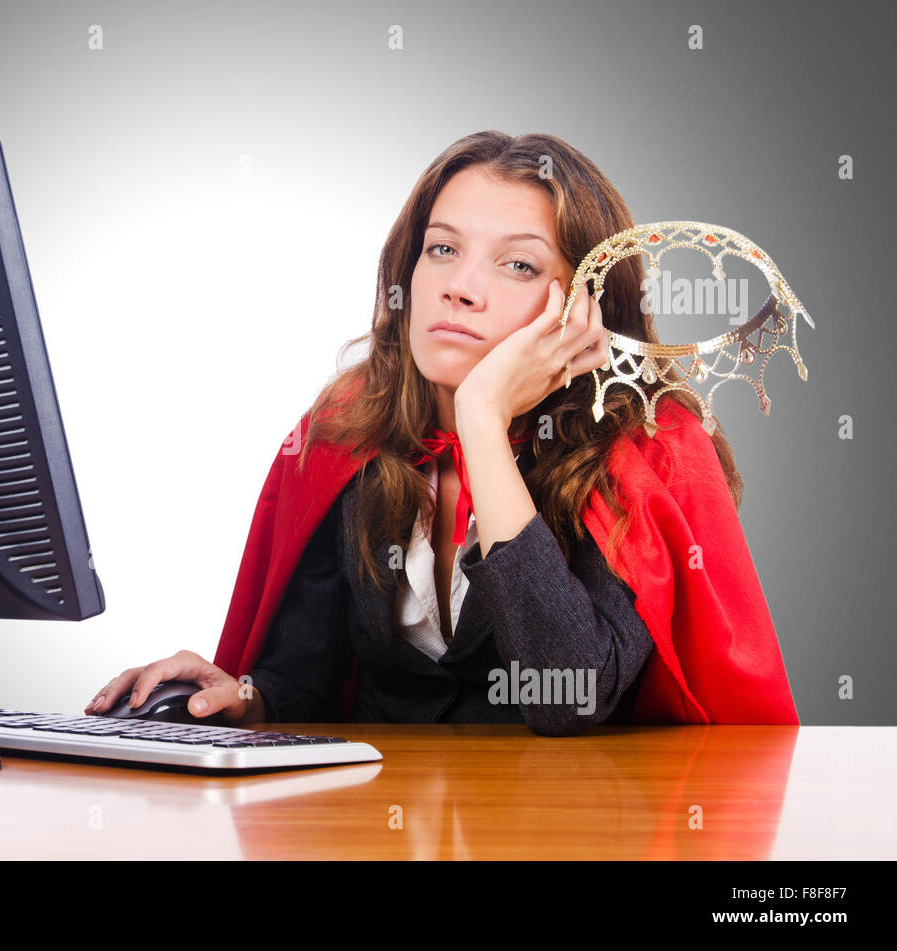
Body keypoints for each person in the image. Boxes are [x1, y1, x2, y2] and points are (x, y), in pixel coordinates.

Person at [85, 130, 797, 734]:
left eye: (518, 263)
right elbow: (309, 681)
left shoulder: (644, 453)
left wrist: (483, 419)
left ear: (584, 308)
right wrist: (243, 696)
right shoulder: (347, 430)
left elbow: (572, 695)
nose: (459, 286)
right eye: (442, 249)